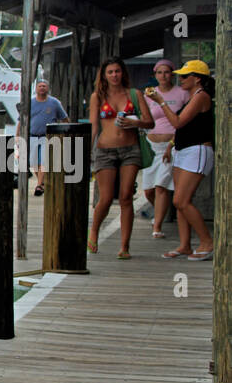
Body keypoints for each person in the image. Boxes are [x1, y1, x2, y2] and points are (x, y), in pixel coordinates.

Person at [88, 57, 154, 259]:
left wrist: (134, 123)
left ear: (123, 73)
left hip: (130, 149)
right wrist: (87, 154)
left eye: (117, 71)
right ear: (104, 75)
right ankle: (94, 231)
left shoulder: (134, 94)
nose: (114, 75)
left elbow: (149, 122)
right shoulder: (97, 96)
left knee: (126, 196)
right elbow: (94, 126)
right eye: (110, 72)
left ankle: (125, 246)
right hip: (105, 150)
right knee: (106, 198)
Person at [150, 60, 215, 260]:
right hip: (182, 150)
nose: (180, 79)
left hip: (197, 151)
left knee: (181, 200)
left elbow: (178, 122)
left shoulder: (201, 96)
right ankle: (185, 245)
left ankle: (207, 242)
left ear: (197, 79)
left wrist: (161, 101)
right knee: (180, 201)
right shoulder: (191, 97)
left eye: (185, 76)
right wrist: (171, 145)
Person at [139, 59, 189, 237]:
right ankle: (161, 211)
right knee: (148, 190)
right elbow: (144, 118)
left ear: (172, 74)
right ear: (155, 75)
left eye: (167, 72)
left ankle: (157, 227)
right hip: (152, 145)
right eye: (159, 73)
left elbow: (185, 122)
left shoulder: (182, 93)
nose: (163, 76)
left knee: (161, 187)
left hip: (171, 145)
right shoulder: (149, 94)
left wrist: (172, 144)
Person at [17, 79, 68, 196]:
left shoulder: (54, 103)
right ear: (36, 89)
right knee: (34, 162)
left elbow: (64, 118)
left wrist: (66, 131)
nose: (42, 88)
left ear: (48, 88)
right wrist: (17, 135)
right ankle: (43, 183)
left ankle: (39, 185)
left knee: (44, 161)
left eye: (44, 86)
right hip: (32, 136)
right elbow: (21, 120)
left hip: (48, 137)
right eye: (40, 86)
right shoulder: (29, 103)